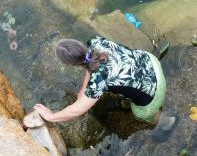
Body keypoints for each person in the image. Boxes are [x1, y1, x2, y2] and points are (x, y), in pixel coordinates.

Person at [28, 36, 173, 133]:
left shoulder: (98, 82)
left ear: (71, 65)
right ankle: (130, 97)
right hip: (151, 63)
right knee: (124, 86)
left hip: (154, 91)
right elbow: (91, 64)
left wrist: (51, 116)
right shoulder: (96, 42)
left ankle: (166, 122)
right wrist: (84, 89)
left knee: (141, 114)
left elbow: (76, 111)